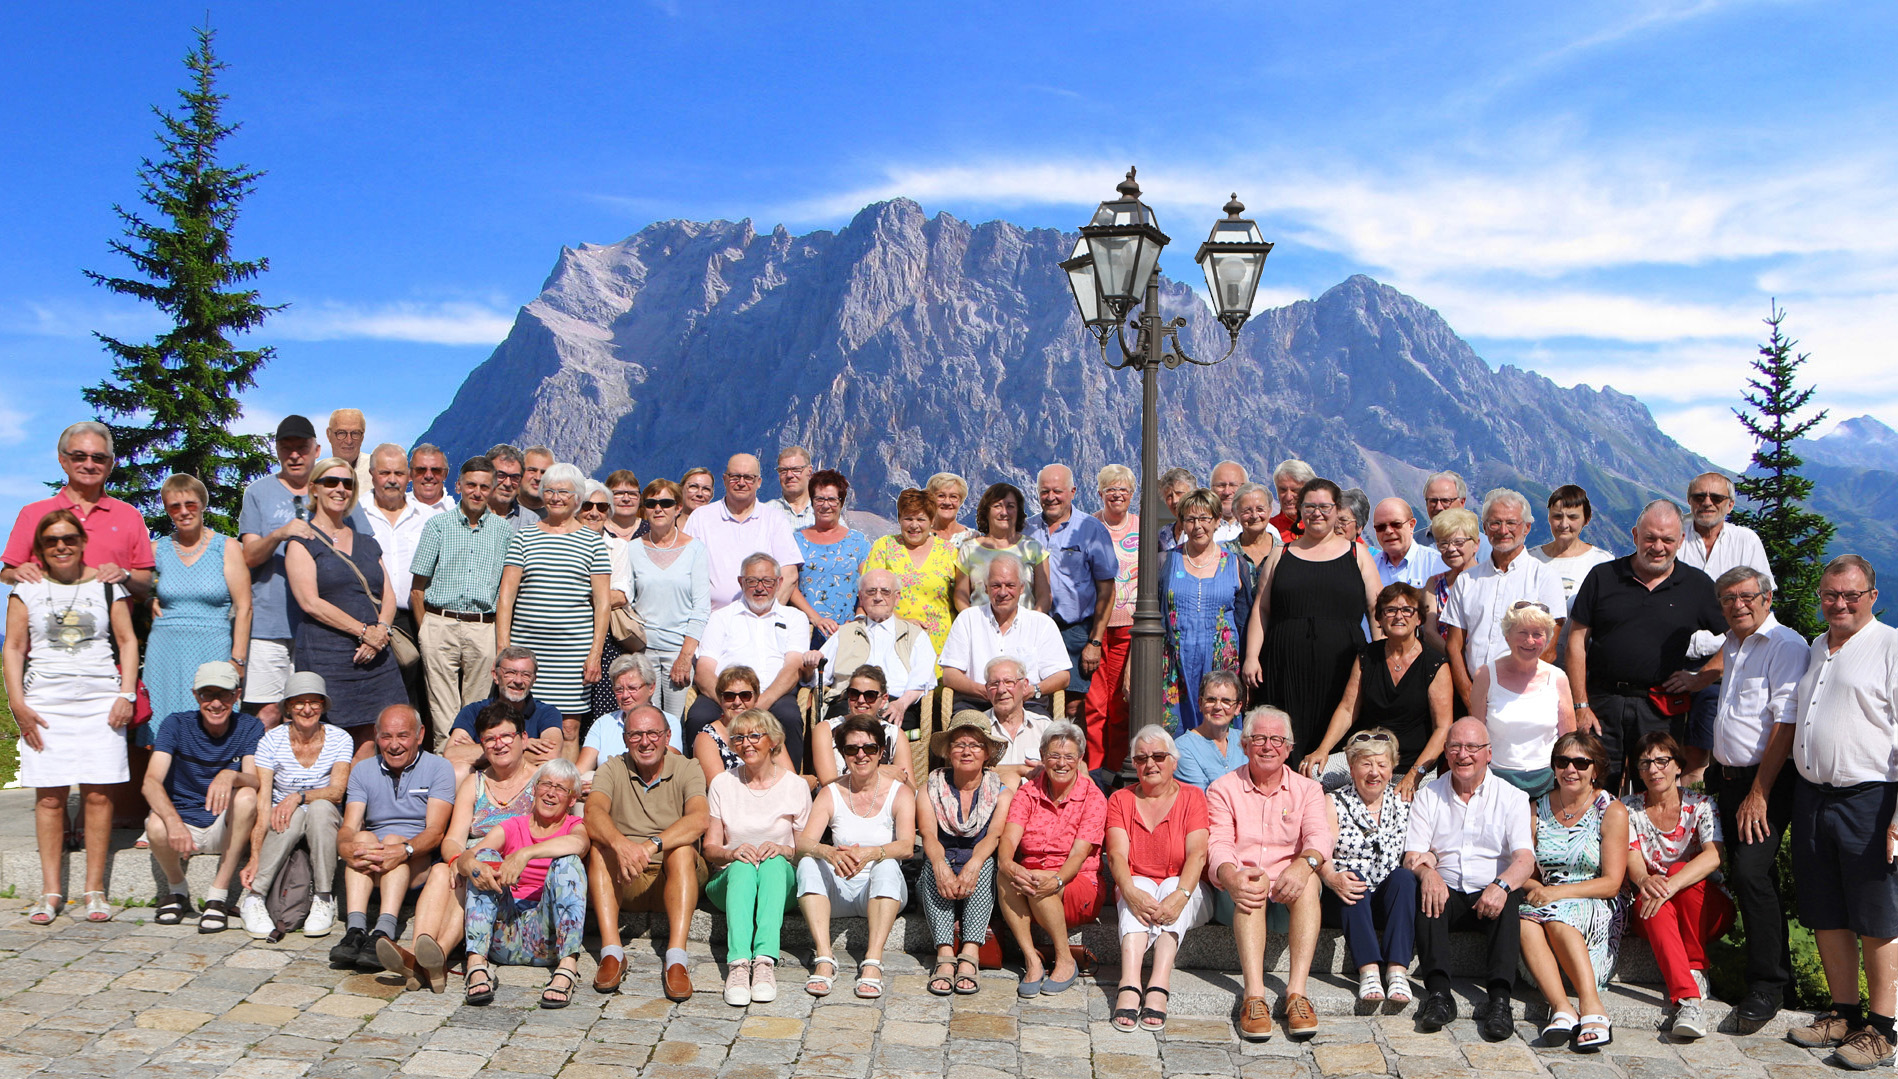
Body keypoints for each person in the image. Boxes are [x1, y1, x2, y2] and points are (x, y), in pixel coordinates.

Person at [1783, 555, 1898, 1070]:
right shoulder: (1817, 646)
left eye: (1851, 594)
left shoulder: (1891, 646)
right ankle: (1843, 1014)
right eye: (1831, 594)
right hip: (1814, 796)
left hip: (1871, 798)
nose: (1840, 603)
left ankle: (1884, 1029)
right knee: (1826, 910)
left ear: (1873, 596)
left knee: (1876, 914)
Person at [5, 508, 140, 925]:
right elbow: (12, 647)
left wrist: (126, 694)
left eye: (68, 539)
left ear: (82, 542)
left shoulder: (106, 587)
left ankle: (93, 890)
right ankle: (50, 892)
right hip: (45, 706)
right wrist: (18, 705)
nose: (60, 546)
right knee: (49, 798)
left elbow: (127, 641)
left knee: (99, 797)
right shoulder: (25, 589)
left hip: (101, 704)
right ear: (40, 549)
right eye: (51, 541)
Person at [1706, 565, 1807, 1027]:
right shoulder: (1733, 642)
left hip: (1764, 782)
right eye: (1728, 598)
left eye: (1747, 596)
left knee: (1751, 873)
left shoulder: (1784, 645)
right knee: (1734, 873)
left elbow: (1784, 725)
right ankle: (1750, 972)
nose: (1738, 605)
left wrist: (1759, 794)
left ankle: (1768, 987)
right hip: (1725, 777)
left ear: (1767, 598)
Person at [1567, 500, 1724, 793]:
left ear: (1681, 540)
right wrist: (1581, 704)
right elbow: (1577, 640)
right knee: (1596, 785)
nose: (1658, 547)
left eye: (1667, 539)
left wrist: (1704, 676)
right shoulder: (1603, 577)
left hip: (1660, 706)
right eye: (1650, 537)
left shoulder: (1697, 586)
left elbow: (1741, 635)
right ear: (1635, 535)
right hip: (1602, 703)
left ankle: (1647, 840)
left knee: (1656, 787)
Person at [384, 702, 537, 991]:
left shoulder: (541, 781)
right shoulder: (474, 783)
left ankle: (427, 960)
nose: (499, 744)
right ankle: (429, 957)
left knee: (471, 874)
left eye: (506, 736)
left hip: (510, 876)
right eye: (490, 739)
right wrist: (458, 858)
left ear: (524, 739)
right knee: (443, 871)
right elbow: (453, 838)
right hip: (472, 867)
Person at [1405, 716, 1535, 1042]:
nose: (1464, 755)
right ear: (1446, 753)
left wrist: (1502, 885)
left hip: (1491, 890)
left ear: (1488, 753)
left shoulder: (1512, 797)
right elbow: (1413, 855)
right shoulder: (1428, 796)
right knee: (1427, 894)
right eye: (1455, 747)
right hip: (1447, 887)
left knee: (1508, 903)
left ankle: (1500, 1001)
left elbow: (1525, 860)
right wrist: (1427, 873)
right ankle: (1438, 994)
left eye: (1472, 747)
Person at [1208, 707, 1332, 1041]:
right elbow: (1219, 842)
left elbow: (1320, 838)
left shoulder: (1308, 790)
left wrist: (1303, 864)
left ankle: (1296, 994)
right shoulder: (1223, 788)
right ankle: (1254, 997)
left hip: (1289, 891)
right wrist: (1230, 875)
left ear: (1289, 748)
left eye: (1277, 739)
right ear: (1245, 744)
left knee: (1309, 881)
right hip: (1237, 893)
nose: (1268, 746)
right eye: (1259, 738)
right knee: (1253, 878)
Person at [1242, 478, 1382, 768]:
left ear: (1337, 509)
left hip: (1343, 666)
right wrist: (1252, 657)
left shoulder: (1358, 554)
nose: (1317, 513)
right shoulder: (1281, 553)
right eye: (1310, 506)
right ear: (1300, 510)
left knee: (1335, 744)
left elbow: (1376, 610)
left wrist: (1380, 660)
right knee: (1284, 741)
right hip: (1284, 666)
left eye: (1324, 506)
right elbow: (1261, 609)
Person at [586, 704, 711, 1000]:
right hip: (627, 875)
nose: (645, 741)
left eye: (653, 733)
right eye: (636, 734)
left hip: (676, 873)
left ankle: (677, 958)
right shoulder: (612, 768)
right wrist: (620, 844)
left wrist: (649, 845)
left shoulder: (688, 768)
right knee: (598, 849)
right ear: (626, 738)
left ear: (667, 736)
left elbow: (699, 819)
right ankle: (612, 952)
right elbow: (593, 812)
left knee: (681, 850)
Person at [1518, 731, 1628, 1052]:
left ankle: (1592, 1007)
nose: (1571, 769)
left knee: (1553, 912)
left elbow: (1612, 883)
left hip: (1593, 907)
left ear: (1596, 769)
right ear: (1553, 767)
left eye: (1581, 762)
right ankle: (1562, 1008)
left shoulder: (1611, 810)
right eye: (1563, 761)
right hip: (1544, 911)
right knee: (1524, 917)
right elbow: (1522, 869)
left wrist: (1558, 894)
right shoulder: (1536, 810)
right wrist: (1535, 885)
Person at [285, 456, 406, 742]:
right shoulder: (302, 540)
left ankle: (362, 788)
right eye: (331, 481)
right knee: (331, 734)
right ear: (314, 488)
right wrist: (363, 632)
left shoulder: (367, 541)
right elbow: (310, 602)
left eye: (347, 483)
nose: (340, 488)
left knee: (378, 730)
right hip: (327, 654)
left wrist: (381, 631)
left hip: (377, 653)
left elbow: (387, 595)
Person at [796, 716, 917, 998]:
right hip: (839, 888)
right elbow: (803, 843)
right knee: (807, 862)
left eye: (869, 748)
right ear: (843, 754)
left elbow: (907, 845)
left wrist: (873, 853)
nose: (861, 755)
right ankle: (825, 958)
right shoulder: (831, 793)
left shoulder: (899, 794)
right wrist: (827, 851)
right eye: (852, 749)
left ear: (881, 753)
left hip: (882, 891)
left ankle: (873, 961)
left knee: (886, 865)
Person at [1623, 731, 1732, 1041]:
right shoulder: (1628, 808)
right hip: (1653, 912)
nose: (1654, 770)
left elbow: (1713, 856)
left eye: (1661, 761)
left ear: (1678, 766)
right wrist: (1644, 880)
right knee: (1648, 896)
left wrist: (1669, 884)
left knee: (1683, 870)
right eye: (1645, 764)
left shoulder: (1702, 804)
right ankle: (1688, 997)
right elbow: (1631, 855)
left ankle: (1695, 965)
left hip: (1706, 910)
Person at [456, 758, 591, 1009]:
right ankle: (476, 964)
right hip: (504, 932)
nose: (551, 792)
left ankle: (567, 967)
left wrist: (525, 853)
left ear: (572, 800)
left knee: (568, 863)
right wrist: (473, 866)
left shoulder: (575, 826)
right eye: (546, 784)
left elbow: (579, 846)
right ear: (534, 789)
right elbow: (467, 857)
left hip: (548, 939)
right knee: (483, 859)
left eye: (561, 788)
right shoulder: (512, 826)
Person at [328, 705, 454, 970]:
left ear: (420, 735)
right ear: (376, 735)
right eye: (386, 736)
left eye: (402, 736)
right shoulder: (363, 770)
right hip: (374, 859)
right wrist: (346, 847)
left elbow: (435, 831)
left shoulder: (439, 768)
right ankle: (355, 931)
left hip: (416, 862)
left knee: (394, 840)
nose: (394, 745)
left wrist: (404, 849)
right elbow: (349, 826)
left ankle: (384, 931)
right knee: (361, 838)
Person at [142, 661, 264, 932]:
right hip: (183, 826)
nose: (216, 703)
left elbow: (254, 780)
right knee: (155, 824)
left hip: (225, 826)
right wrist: (173, 822)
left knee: (246, 797)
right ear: (196, 695)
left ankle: (217, 896)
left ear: (237, 695)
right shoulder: (175, 724)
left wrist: (230, 775)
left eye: (224, 694)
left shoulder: (249, 726)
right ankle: (177, 889)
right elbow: (150, 782)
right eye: (207, 694)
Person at [497, 463, 611, 753]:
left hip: (573, 652)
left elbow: (602, 603)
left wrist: (595, 654)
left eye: (563, 491)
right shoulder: (523, 537)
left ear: (577, 498)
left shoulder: (593, 543)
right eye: (549, 491)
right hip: (526, 650)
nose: (556, 497)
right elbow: (506, 597)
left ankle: (564, 791)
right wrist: (503, 653)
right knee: (519, 722)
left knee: (569, 727)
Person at [704, 708, 813, 1006]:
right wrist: (731, 852)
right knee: (741, 866)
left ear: (773, 741)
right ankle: (739, 965)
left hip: (779, 884)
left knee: (773, 862)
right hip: (729, 881)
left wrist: (783, 849)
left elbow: (805, 849)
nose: (746, 743)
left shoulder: (796, 786)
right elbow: (710, 848)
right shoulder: (722, 784)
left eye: (755, 735)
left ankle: (764, 962)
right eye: (738, 737)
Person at [1105, 725, 1211, 1033]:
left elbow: (1197, 855)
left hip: (1189, 890)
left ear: (1174, 761)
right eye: (1141, 759)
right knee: (1137, 885)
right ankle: (1129, 981)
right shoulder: (1120, 800)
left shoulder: (1193, 797)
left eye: (1159, 756)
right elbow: (1117, 857)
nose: (1150, 764)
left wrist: (1179, 896)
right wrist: (1128, 891)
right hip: (1139, 886)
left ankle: (1159, 981)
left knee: (1169, 886)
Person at [235, 671, 353, 939]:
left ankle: (323, 898)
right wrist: (254, 855)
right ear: (288, 707)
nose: (307, 709)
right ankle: (254, 897)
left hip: (323, 816)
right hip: (284, 818)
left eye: (315, 702)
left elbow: (336, 792)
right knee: (290, 815)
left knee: (321, 808)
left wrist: (298, 796)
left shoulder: (340, 738)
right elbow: (263, 804)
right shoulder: (270, 742)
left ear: (323, 706)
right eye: (299, 702)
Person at [1306, 583, 1452, 798]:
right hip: (1367, 756)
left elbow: (1443, 728)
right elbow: (1347, 709)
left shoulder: (1435, 664)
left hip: (1413, 764)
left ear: (1419, 618)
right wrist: (1323, 749)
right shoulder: (1367, 656)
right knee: (1312, 773)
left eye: (1406, 610)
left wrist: (1414, 774)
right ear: (1380, 620)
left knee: (1419, 804)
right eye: (1390, 610)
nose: (1398, 616)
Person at [1678, 472, 1776, 780]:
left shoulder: (1746, 541)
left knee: (1701, 753)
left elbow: (1756, 610)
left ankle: (1697, 813)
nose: (1707, 503)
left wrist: (1709, 672)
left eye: (1716, 498)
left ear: (1730, 504)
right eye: (1699, 497)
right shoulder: (1674, 536)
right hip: (1671, 657)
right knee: (1665, 748)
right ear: (1689, 501)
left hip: (1727, 663)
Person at [998, 721, 1106, 998]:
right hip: (1034, 883)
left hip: (1077, 883)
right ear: (1043, 756)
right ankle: (1032, 960)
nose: (1061, 763)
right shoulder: (1028, 792)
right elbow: (1010, 836)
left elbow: (1079, 855)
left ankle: (1065, 959)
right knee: (1005, 874)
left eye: (1069, 756)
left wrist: (1057, 878)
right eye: (1054, 756)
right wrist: (1008, 862)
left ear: (1079, 759)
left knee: (1040, 878)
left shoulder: (1092, 798)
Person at [409, 456, 510, 748]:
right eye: (471, 485)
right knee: (442, 711)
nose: (477, 492)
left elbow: (505, 591)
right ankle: (446, 777)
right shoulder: (438, 526)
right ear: (458, 486)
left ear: (492, 490)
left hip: (483, 626)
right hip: (439, 623)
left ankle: (471, 777)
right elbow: (417, 588)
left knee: (478, 708)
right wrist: (425, 630)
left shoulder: (503, 532)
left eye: (484, 487)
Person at [144, 474, 252, 739]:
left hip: (212, 648)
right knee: (163, 733)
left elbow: (245, 606)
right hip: (165, 654)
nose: (183, 512)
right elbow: (132, 584)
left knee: (214, 728)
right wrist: (148, 599)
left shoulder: (226, 547)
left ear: (203, 504)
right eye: (174, 507)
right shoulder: (157, 549)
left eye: (190, 504)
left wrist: (238, 659)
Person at [1441, 489, 1566, 714]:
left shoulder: (1545, 578)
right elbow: (1454, 645)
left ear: (1527, 527)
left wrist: (1518, 695)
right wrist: (1469, 695)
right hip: (1472, 696)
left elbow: (1549, 648)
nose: (1503, 530)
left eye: (1511, 523)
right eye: (1495, 523)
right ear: (1486, 528)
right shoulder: (1467, 580)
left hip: (1524, 699)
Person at [1, 420, 155, 599]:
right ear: (63, 460)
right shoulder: (32, 514)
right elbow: (6, 574)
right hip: (44, 624)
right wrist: (18, 573)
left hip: (112, 625)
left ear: (110, 463)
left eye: (98, 458)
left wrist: (124, 575)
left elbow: (145, 582)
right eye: (79, 457)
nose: (89, 465)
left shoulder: (129, 516)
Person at [918, 712, 1014, 997]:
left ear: (987, 753)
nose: (966, 751)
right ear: (948, 751)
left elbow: (995, 835)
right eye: (959, 744)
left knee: (983, 865)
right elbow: (928, 836)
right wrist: (940, 864)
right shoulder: (929, 787)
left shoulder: (1001, 792)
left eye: (975, 745)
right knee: (932, 866)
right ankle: (945, 956)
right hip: (942, 860)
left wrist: (973, 863)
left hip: (979, 866)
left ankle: (970, 953)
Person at [1318, 728, 1417, 1005]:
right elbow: (1321, 851)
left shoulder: (1405, 801)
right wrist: (1331, 877)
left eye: (1382, 764)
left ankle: (1397, 970)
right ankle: (1369, 970)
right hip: (1347, 898)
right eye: (1366, 764)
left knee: (1404, 878)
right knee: (1352, 877)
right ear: (1351, 767)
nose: (1374, 772)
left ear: (1392, 768)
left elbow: (1419, 850)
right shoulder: (1334, 801)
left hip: (1389, 899)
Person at [687, 554, 811, 767]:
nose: (760, 587)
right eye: (752, 581)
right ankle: (698, 787)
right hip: (725, 694)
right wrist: (731, 702)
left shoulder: (795, 618)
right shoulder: (720, 617)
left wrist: (758, 704)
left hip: (774, 693)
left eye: (767, 581)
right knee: (698, 716)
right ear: (741, 582)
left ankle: (791, 787)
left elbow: (793, 668)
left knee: (789, 717)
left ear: (779, 583)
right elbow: (704, 670)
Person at [238, 415, 322, 726]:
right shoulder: (258, 492)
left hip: (317, 625)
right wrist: (279, 534)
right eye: (287, 448)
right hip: (268, 624)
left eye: (302, 447)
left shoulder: (332, 490)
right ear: (276, 450)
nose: (295, 455)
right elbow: (247, 556)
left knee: (311, 712)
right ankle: (258, 775)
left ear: (317, 449)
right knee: (268, 713)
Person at [353, 443, 443, 723]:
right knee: (372, 691)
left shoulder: (430, 518)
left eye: (399, 473)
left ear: (408, 476)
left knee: (419, 692)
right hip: (368, 618)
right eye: (384, 473)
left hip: (415, 616)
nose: (392, 479)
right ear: (371, 474)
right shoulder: (355, 515)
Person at [610, 477, 708, 729]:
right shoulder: (631, 550)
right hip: (642, 650)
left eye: (665, 503)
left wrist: (685, 657)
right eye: (651, 503)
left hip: (679, 651)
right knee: (643, 722)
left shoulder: (696, 550)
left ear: (678, 508)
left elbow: (700, 607)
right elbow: (625, 597)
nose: (658, 509)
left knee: (675, 724)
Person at [1026, 464, 1118, 724]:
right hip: (1036, 629)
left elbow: (1106, 589)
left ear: (1073, 492)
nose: (1051, 497)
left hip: (1075, 630)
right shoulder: (1026, 530)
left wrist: (1095, 641)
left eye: (1058, 491)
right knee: (1034, 699)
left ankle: (1076, 763)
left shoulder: (1091, 529)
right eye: (1045, 491)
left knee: (1073, 707)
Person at [1161, 489, 1253, 736]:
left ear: (1216, 521)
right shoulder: (1166, 562)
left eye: (1204, 519)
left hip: (1221, 661)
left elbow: (1246, 619)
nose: (1198, 526)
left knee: (1220, 727)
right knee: (1175, 731)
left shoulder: (1235, 563)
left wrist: (1250, 662)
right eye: (1190, 519)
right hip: (1175, 662)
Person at [939, 555, 1070, 715]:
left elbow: (1062, 676)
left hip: (1027, 705)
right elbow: (950, 675)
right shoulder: (968, 619)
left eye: (1010, 585)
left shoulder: (1041, 623)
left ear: (1022, 588)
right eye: (996, 585)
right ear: (986, 588)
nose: (1003, 592)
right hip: (976, 704)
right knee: (965, 738)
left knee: (1042, 737)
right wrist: (986, 691)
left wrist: (1033, 690)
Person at [1471, 602, 1576, 796]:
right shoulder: (1485, 675)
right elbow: (1476, 738)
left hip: (1547, 784)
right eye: (1522, 633)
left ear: (1547, 639)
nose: (1530, 641)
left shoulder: (1558, 677)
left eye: (1537, 634)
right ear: (1507, 635)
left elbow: (1569, 741)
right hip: (1496, 783)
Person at [683, 453, 803, 611]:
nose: (741, 483)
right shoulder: (701, 517)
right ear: (725, 480)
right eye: (735, 477)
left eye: (748, 477)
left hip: (761, 621)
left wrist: (766, 615)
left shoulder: (775, 519)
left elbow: (789, 575)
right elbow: (685, 570)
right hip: (711, 621)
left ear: (758, 482)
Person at [816, 571, 936, 724]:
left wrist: (901, 704)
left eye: (885, 591)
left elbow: (923, 679)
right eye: (871, 591)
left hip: (895, 705)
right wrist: (809, 667)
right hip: (849, 703)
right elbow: (817, 676)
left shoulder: (915, 635)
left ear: (897, 597)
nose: (878, 597)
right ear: (861, 597)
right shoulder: (844, 633)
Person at [441, 647, 566, 783]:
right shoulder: (473, 711)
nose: (518, 681)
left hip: (524, 784)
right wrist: (522, 745)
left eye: (525, 674)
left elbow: (551, 755)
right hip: (482, 783)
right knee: (457, 769)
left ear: (534, 680)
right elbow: (451, 754)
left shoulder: (547, 713)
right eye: (510, 673)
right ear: (495, 675)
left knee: (545, 770)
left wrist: (481, 751)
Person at [863, 491, 960, 663]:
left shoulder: (949, 552)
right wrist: (901, 622)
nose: (914, 525)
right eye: (908, 518)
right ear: (899, 519)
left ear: (931, 521)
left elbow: (960, 597)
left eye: (921, 519)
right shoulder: (884, 547)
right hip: (892, 639)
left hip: (939, 643)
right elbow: (868, 596)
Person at [1528, 485, 1615, 674]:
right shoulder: (1531, 559)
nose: (1564, 524)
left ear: (1586, 519)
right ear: (1549, 517)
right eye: (1557, 516)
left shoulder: (1602, 562)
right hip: (1534, 666)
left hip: (1585, 667)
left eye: (1573, 517)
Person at [1088, 465, 1139, 771]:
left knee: (1120, 705)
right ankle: (1094, 771)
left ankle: (1117, 768)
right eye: (1111, 489)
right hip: (1095, 627)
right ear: (1100, 493)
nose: (1117, 495)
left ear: (1132, 495)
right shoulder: (1089, 526)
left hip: (1128, 627)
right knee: (1094, 705)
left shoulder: (1142, 528)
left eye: (1123, 490)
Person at [789, 469, 871, 643]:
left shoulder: (858, 542)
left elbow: (868, 585)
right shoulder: (795, 541)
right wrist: (814, 618)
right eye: (820, 499)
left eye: (832, 499)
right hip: (806, 630)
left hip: (848, 631)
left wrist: (859, 618)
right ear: (811, 502)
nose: (826, 505)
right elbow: (789, 585)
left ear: (841, 503)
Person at [954, 481, 1051, 613]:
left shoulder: (1033, 548)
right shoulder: (969, 549)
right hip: (980, 628)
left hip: (1025, 628)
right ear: (986, 511)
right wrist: (972, 622)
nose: (1004, 512)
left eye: (1010, 506)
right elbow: (960, 596)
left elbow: (1044, 596)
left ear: (1018, 512)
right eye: (997, 506)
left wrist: (1032, 625)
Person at [811, 666, 916, 787]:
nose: (861, 700)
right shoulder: (826, 730)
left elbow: (911, 790)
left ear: (883, 700)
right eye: (854, 693)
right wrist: (877, 770)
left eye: (870, 695)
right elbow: (828, 784)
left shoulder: (895, 735)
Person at [693, 666, 800, 782]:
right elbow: (718, 786)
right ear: (720, 699)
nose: (737, 702)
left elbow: (791, 780)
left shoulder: (768, 731)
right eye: (729, 696)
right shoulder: (707, 738)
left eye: (745, 695)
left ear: (756, 698)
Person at [580, 656, 681, 777]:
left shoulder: (669, 722)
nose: (625, 695)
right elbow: (581, 769)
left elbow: (668, 766)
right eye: (619, 689)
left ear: (651, 687)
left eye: (632, 688)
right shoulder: (603, 723)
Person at [1174, 670, 1249, 789]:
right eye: (1211, 700)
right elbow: (1201, 796)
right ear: (1200, 703)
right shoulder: (1183, 748)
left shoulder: (1245, 741)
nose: (1218, 707)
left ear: (1237, 707)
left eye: (1226, 701)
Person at [1420, 508, 1479, 646]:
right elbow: (1429, 632)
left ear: (1476, 544)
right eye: (1444, 543)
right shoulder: (1434, 583)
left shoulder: (1489, 580)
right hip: (1443, 661)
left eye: (1459, 542)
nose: (1451, 549)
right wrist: (1455, 660)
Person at [1370, 497, 1446, 590]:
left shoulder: (1436, 564)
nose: (1388, 531)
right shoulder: (1370, 568)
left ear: (1411, 525)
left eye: (1396, 524)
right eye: (1380, 527)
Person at [1417, 470, 1490, 562]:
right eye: (1433, 501)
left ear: (1462, 502)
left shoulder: (1485, 547)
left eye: (1446, 501)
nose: (1439, 507)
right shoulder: (1413, 543)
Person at [1230, 482, 1279, 596]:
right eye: (1247, 511)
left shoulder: (1284, 552)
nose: (1255, 516)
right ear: (1235, 514)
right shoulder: (1225, 553)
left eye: (1260, 509)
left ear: (1270, 510)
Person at [483, 444, 540, 528]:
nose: (508, 483)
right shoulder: (466, 517)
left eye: (515, 477)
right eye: (500, 475)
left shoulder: (532, 522)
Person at [324, 409, 374, 498]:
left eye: (355, 433)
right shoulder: (316, 473)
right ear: (329, 434)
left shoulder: (378, 470)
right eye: (341, 433)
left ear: (362, 436)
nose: (349, 441)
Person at [1267, 459, 1316, 543]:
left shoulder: (1325, 527)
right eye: (1283, 490)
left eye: (1295, 490)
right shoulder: (1267, 529)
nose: (1288, 497)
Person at [767, 446, 816, 529]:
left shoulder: (826, 510)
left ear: (809, 471)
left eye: (796, 469)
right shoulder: (766, 513)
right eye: (783, 471)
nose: (789, 475)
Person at [1153, 467, 1198, 551]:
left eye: (1179, 493)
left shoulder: (1206, 529)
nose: (1175, 500)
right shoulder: (1163, 534)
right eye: (1169, 496)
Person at [924, 471, 971, 546]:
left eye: (953, 497)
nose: (947, 502)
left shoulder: (973, 538)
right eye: (941, 496)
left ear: (960, 501)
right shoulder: (921, 536)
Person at [601, 469, 647, 542]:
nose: (626, 499)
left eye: (632, 494)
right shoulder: (597, 530)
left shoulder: (651, 530)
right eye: (619, 493)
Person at [1209, 460, 1248, 543]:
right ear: (1211, 489)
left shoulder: (1265, 531)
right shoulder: (1195, 529)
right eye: (1221, 485)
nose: (1227, 492)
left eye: (1233, 485)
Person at [408, 444, 451, 512]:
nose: (428, 476)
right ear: (410, 474)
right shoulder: (395, 510)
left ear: (445, 474)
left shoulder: (459, 511)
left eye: (436, 470)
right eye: (421, 470)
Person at [516, 446, 555, 517]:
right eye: (532, 470)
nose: (538, 478)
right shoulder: (502, 509)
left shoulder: (560, 517)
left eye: (544, 472)